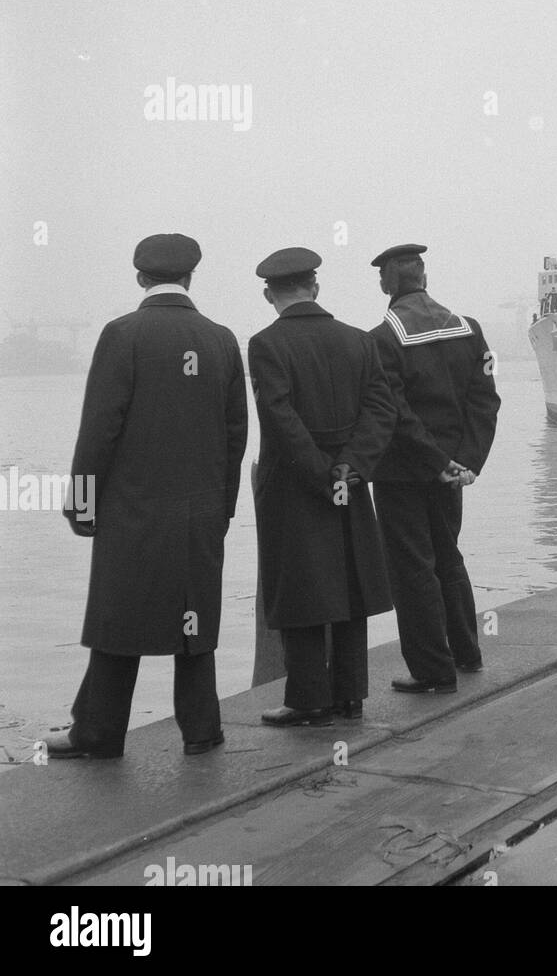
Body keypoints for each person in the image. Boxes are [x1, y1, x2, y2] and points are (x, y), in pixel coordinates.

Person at [43, 234, 247, 760]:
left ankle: (99, 733)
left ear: (140, 279)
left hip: (131, 511)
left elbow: (99, 430)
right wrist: (222, 508)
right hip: (200, 512)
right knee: (194, 621)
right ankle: (202, 732)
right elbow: (234, 437)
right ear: (191, 278)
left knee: (118, 620)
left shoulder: (122, 335)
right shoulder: (221, 339)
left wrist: (81, 504)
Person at [249, 248, 397, 726]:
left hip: (295, 483)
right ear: (315, 287)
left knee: (300, 589)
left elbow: (279, 418)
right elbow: (381, 410)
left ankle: (307, 698)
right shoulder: (358, 341)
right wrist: (350, 468)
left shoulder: (266, 344)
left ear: (270, 293)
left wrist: (317, 472)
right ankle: (351, 696)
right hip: (350, 480)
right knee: (350, 583)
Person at [368, 244, 501, 690]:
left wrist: (434, 460)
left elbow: (395, 412)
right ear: (424, 276)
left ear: (388, 282)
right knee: (449, 558)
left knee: (412, 569)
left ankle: (431, 671)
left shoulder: (382, 338)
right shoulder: (469, 329)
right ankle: (467, 653)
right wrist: (467, 460)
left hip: (402, 473)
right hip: (454, 472)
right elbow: (484, 400)